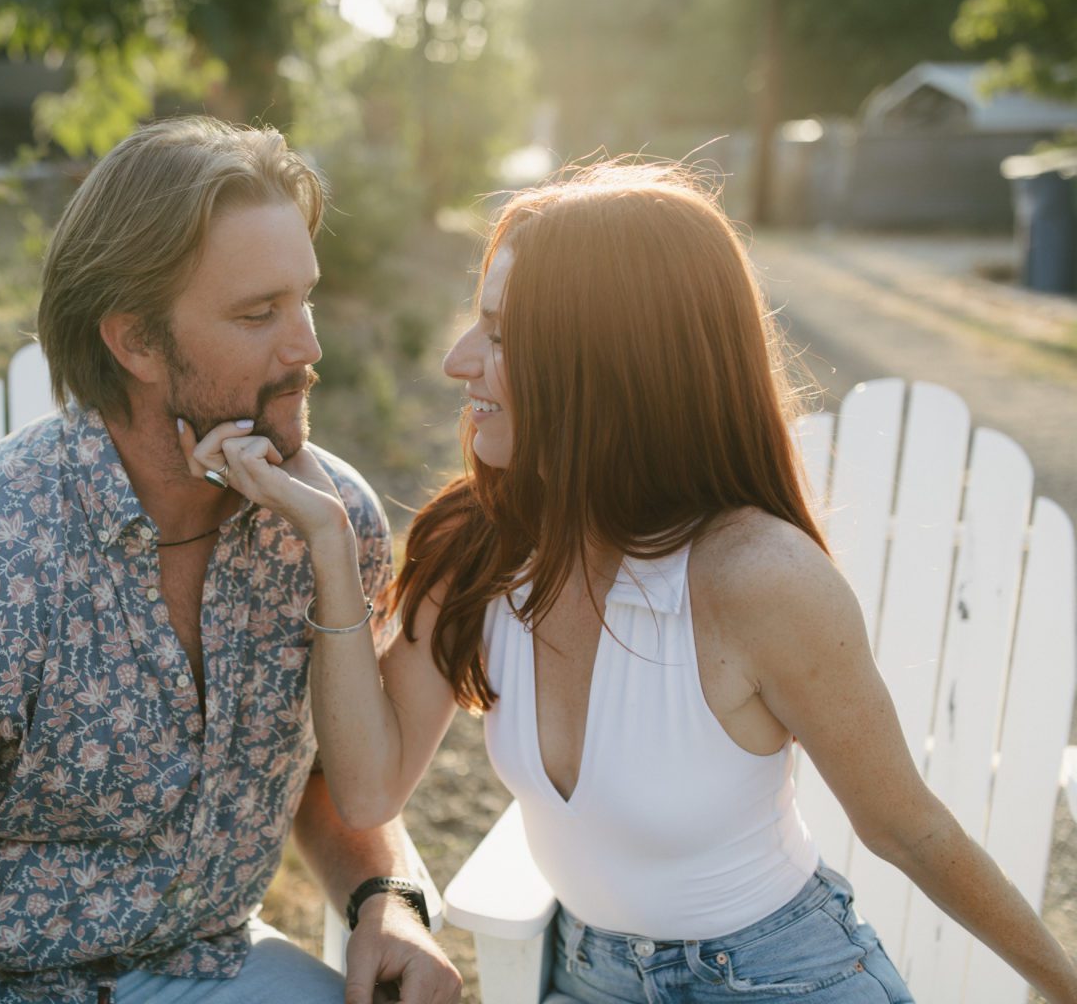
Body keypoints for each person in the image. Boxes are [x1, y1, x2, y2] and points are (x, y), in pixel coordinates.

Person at [183, 160, 1077, 1003]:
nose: (459, 360)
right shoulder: (477, 546)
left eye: (500, 337)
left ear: (610, 365)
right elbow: (370, 792)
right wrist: (331, 549)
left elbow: (908, 828)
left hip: (784, 977)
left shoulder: (758, 580)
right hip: (586, 975)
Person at [0, 116, 462, 1004]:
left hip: (214, 964)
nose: (307, 348)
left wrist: (389, 900)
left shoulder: (328, 525)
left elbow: (330, 778)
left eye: (306, 298)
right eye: (259, 314)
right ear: (135, 342)